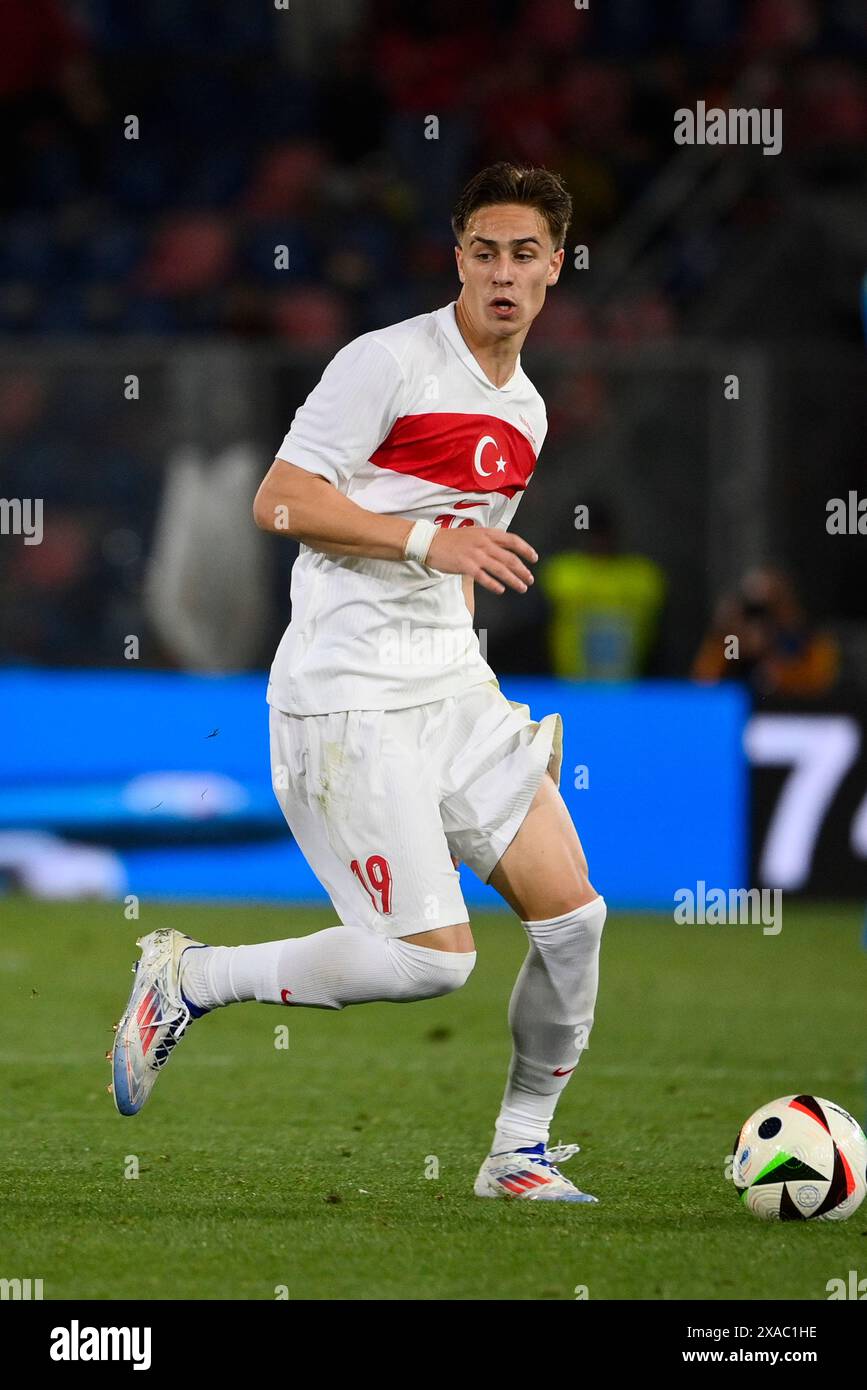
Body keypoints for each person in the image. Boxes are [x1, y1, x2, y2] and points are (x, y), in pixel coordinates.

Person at [111, 163, 607, 1204]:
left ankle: (518, 1153)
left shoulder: (527, 411)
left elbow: (465, 569)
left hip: (454, 695)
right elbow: (280, 502)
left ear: (557, 267)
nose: (503, 274)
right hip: (347, 697)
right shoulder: (385, 363)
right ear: (457, 258)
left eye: (525, 255)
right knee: (432, 964)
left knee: (573, 920)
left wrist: (487, 696)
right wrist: (428, 540)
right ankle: (190, 978)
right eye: (485, 252)